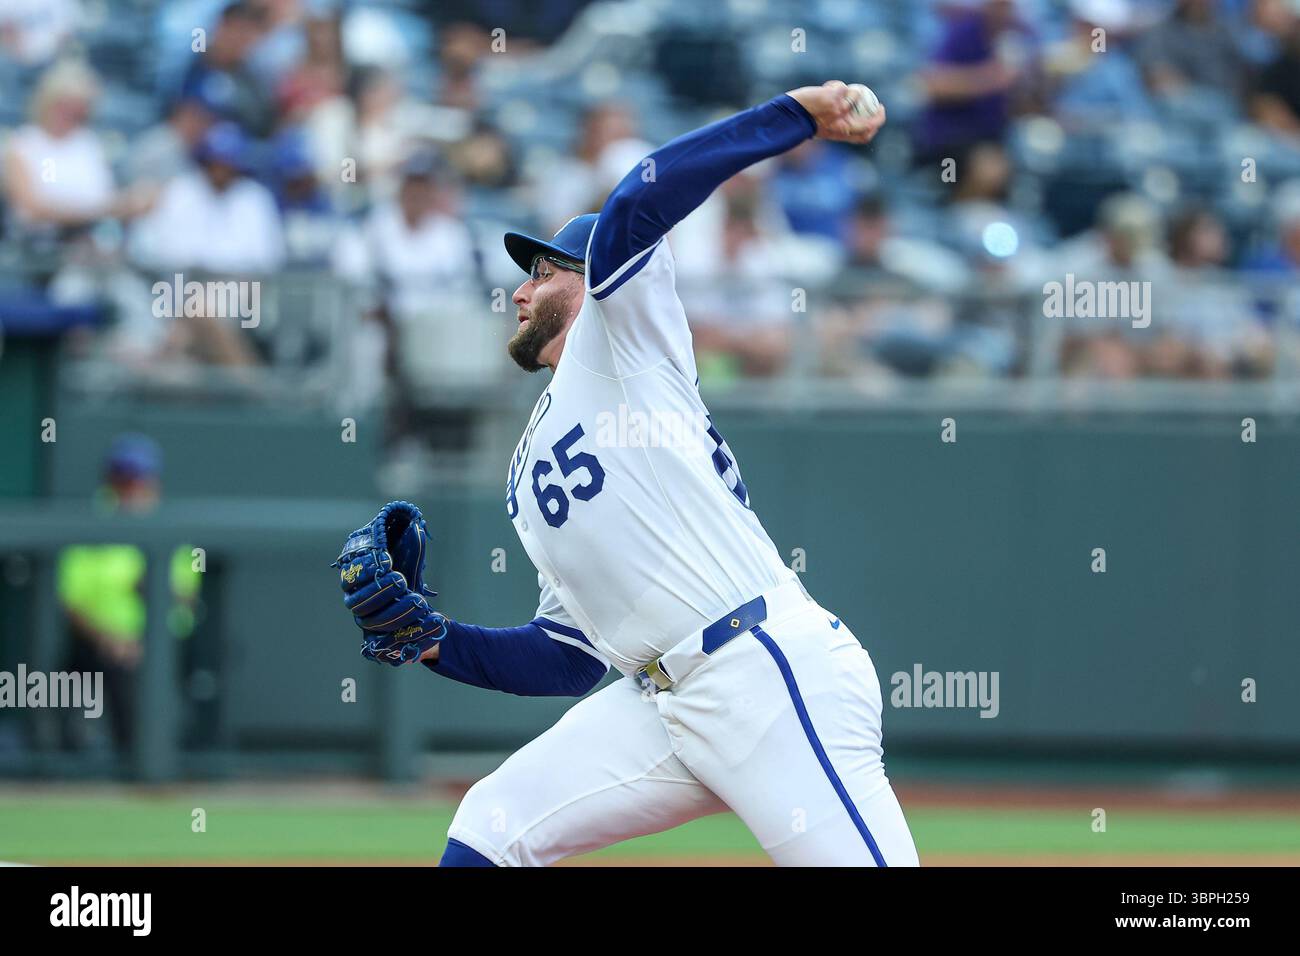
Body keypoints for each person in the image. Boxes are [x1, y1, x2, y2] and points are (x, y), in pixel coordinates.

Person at [337, 82, 920, 867]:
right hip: (662, 701)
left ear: (588, 279)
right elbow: (568, 654)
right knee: (492, 820)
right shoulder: (525, 469)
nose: (519, 289)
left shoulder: (622, 335)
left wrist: (794, 118)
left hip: (764, 672)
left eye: (542, 270)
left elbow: (634, 206)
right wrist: (434, 642)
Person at [57, 436, 201, 753]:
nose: (132, 487)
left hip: (161, 644)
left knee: (155, 667)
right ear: (111, 479)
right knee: (111, 668)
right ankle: (123, 762)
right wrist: (108, 639)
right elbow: (70, 599)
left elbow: (188, 601)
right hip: (97, 645)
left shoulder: (171, 528)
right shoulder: (89, 525)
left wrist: (157, 592)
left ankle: (156, 761)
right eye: (125, 477)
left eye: (140, 477)